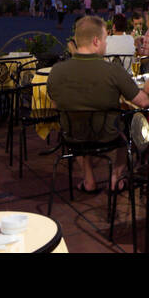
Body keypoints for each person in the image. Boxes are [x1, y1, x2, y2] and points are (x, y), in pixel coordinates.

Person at [46, 16, 139, 192]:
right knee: (133, 125)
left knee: (78, 120)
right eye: (105, 40)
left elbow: (54, 105)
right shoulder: (113, 71)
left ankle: (88, 180)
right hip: (108, 135)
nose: (106, 44)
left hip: (73, 135)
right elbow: (141, 101)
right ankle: (116, 177)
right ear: (96, 41)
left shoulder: (56, 72)